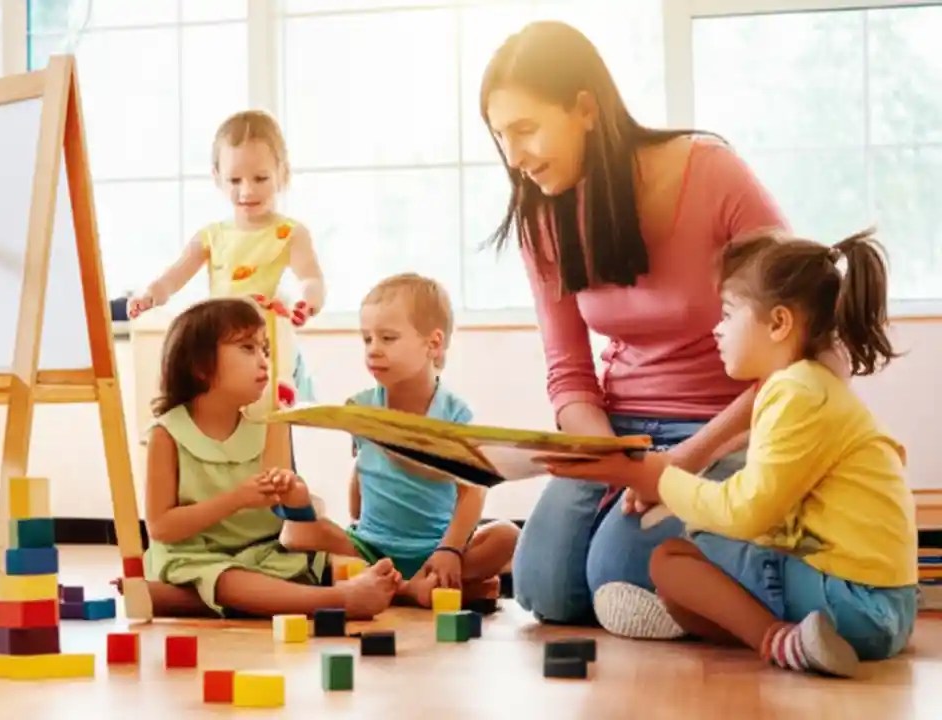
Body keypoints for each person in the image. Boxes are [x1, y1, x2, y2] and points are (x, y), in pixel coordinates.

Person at [478, 20, 814, 631]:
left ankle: (775, 567)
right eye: (501, 135)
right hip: (621, 433)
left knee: (616, 569)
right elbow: (570, 373)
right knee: (543, 589)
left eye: (525, 129)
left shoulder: (713, 175)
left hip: (724, 431)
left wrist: (684, 460)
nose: (513, 156)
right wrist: (613, 458)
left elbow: (808, 340)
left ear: (584, 107)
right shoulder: (543, 217)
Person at [544, 228, 916, 678]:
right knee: (698, 568)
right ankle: (766, 630)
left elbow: (747, 512)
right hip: (888, 606)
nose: (716, 330)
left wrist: (659, 478)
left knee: (671, 561)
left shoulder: (792, 391)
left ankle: (779, 641)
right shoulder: (813, 389)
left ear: (779, 323)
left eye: (727, 314)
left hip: (851, 603)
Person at [142, 297, 402, 619]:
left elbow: (287, 519)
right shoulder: (166, 434)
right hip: (197, 558)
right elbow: (161, 527)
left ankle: (409, 588)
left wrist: (296, 498)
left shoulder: (272, 424)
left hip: (266, 552)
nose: (264, 360)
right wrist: (236, 499)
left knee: (334, 561)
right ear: (200, 366)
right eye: (247, 349)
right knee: (229, 580)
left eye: (264, 349)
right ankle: (338, 601)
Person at [281, 273, 519, 607]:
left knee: (506, 536)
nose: (373, 350)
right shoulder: (360, 408)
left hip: (434, 549)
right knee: (297, 532)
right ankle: (423, 589)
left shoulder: (454, 414)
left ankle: (413, 583)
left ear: (432, 344)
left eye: (388, 338)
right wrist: (356, 519)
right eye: (367, 339)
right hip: (373, 547)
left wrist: (450, 549)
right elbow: (361, 474)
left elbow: (472, 490)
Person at [127, 109, 324, 409]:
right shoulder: (211, 236)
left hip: (262, 331)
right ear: (217, 177)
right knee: (192, 331)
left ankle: (280, 382)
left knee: (275, 317)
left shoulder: (289, 233)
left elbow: (311, 277)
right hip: (222, 331)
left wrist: (307, 303)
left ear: (282, 173)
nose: (247, 190)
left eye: (260, 178)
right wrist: (151, 295)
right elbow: (175, 276)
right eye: (234, 180)